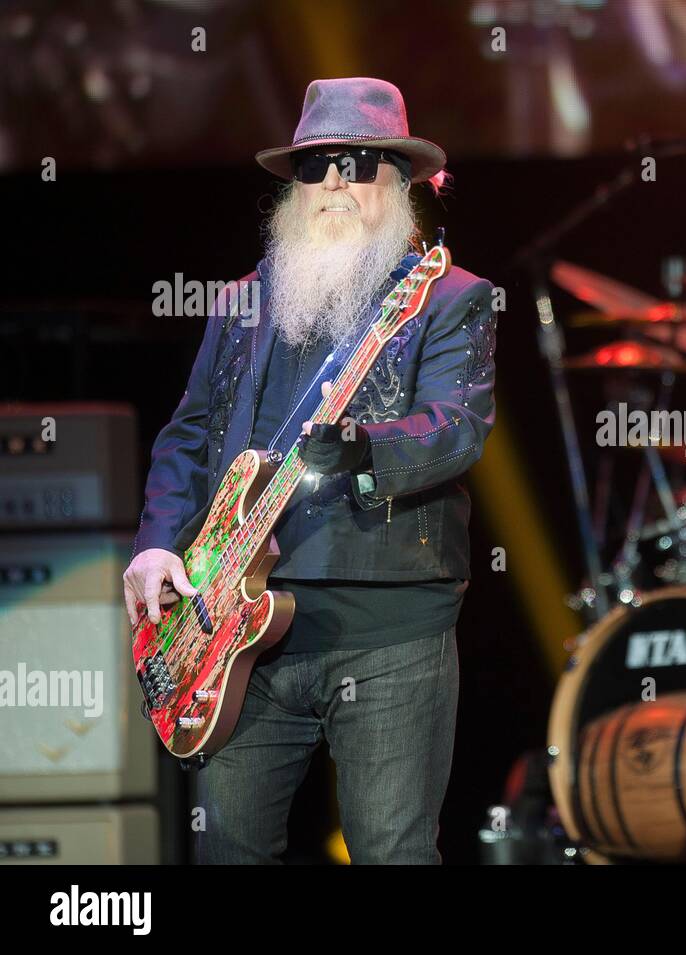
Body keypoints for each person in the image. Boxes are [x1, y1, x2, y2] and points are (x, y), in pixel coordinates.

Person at [122, 78, 497, 863]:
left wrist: (364, 446)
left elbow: (457, 427)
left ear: (400, 181)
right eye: (314, 165)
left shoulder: (449, 298)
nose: (332, 182)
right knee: (228, 851)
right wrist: (155, 541)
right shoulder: (242, 302)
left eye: (355, 163)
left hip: (387, 629)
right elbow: (188, 434)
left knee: (391, 849)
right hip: (236, 632)